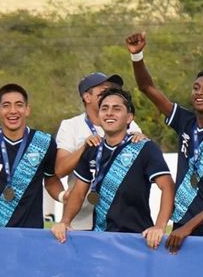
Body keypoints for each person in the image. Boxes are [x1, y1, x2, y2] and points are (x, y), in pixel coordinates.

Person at [126, 31, 203, 253]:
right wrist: (137, 56)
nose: (199, 92)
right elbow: (147, 88)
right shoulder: (185, 120)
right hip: (181, 222)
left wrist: (189, 227)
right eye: (196, 87)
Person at [51, 88, 174, 248]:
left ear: (129, 117)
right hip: (101, 239)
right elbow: (79, 193)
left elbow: (168, 186)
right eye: (104, 108)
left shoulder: (145, 148)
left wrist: (159, 226)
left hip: (137, 240)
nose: (109, 113)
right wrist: (65, 221)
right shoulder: (92, 149)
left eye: (116, 109)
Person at [54, 71, 146, 231]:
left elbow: (144, 158)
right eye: (103, 90)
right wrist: (84, 148)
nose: (110, 94)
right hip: (79, 218)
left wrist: (142, 139)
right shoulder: (70, 126)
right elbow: (60, 170)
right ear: (87, 97)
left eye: (113, 90)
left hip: (117, 218)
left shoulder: (127, 123)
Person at [0, 83, 61, 228]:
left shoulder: (44, 142)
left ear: (27, 110)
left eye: (19, 105)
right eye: (6, 105)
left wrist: (65, 197)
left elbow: (51, 180)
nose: (13, 111)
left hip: (30, 233)